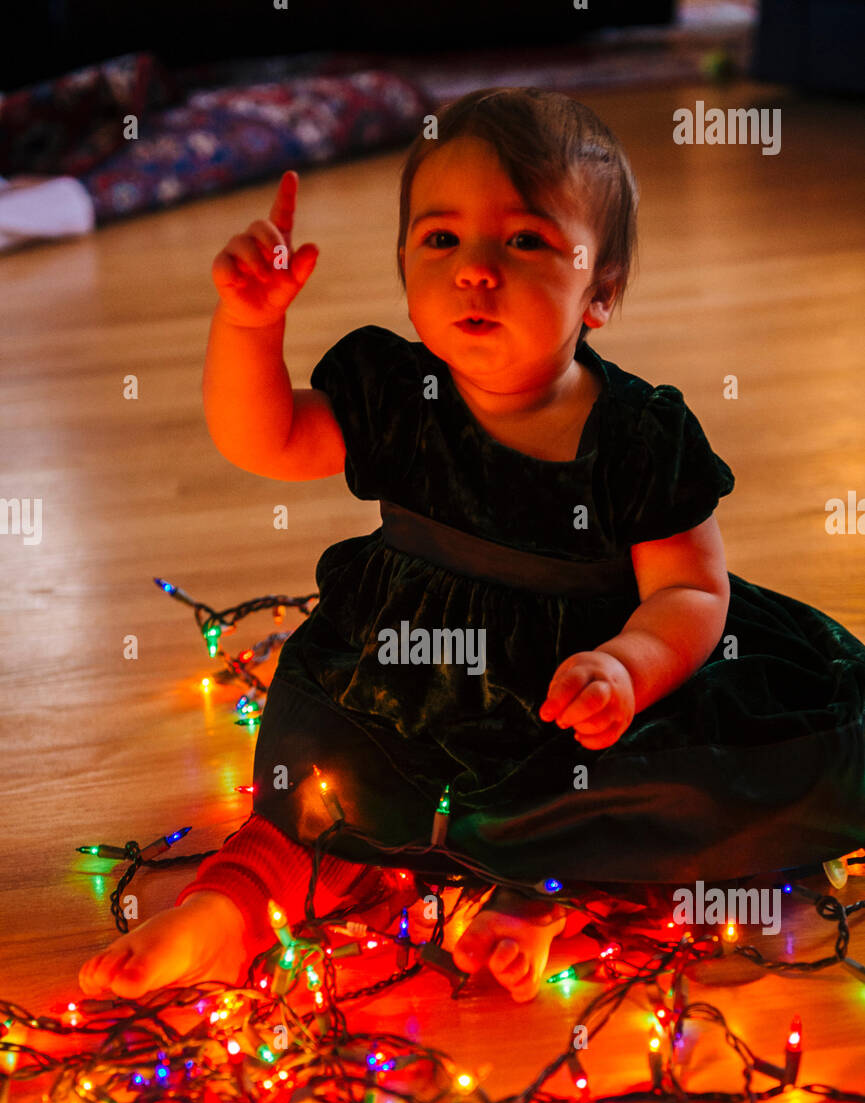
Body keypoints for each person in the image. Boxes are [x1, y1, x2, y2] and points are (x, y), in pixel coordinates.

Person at [79, 88, 865, 1005]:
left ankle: (536, 896)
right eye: (440, 240)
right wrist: (250, 325)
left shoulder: (641, 438)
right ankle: (234, 905)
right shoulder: (393, 391)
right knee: (330, 764)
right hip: (409, 665)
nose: (475, 271)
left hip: (577, 680)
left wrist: (628, 667)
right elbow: (268, 439)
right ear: (406, 267)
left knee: (667, 791)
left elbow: (692, 591)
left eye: (524, 242)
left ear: (598, 293)